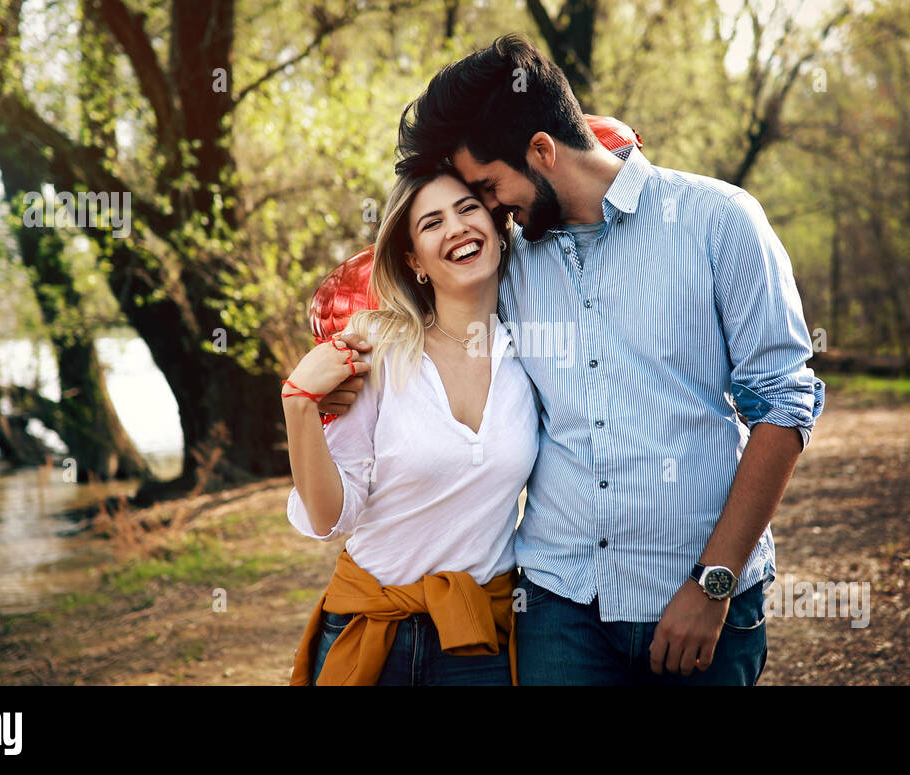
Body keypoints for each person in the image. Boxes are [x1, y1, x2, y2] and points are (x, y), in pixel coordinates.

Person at [323, 34, 825, 685]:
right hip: (559, 605)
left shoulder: (720, 222)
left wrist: (714, 581)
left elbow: (784, 405)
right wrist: (348, 375)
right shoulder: (511, 258)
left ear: (540, 151)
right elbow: (419, 306)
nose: (491, 208)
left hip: (700, 596)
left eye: (488, 186)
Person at [281, 158, 537, 685]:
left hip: (477, 639)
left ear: (496, 228)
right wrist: (298, 403)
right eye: (432, 222)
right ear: (414, 260)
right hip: (371, 631)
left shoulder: (534, 358)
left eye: (468, 209)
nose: (457, 227)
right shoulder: (380, 352)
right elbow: (331, 519)